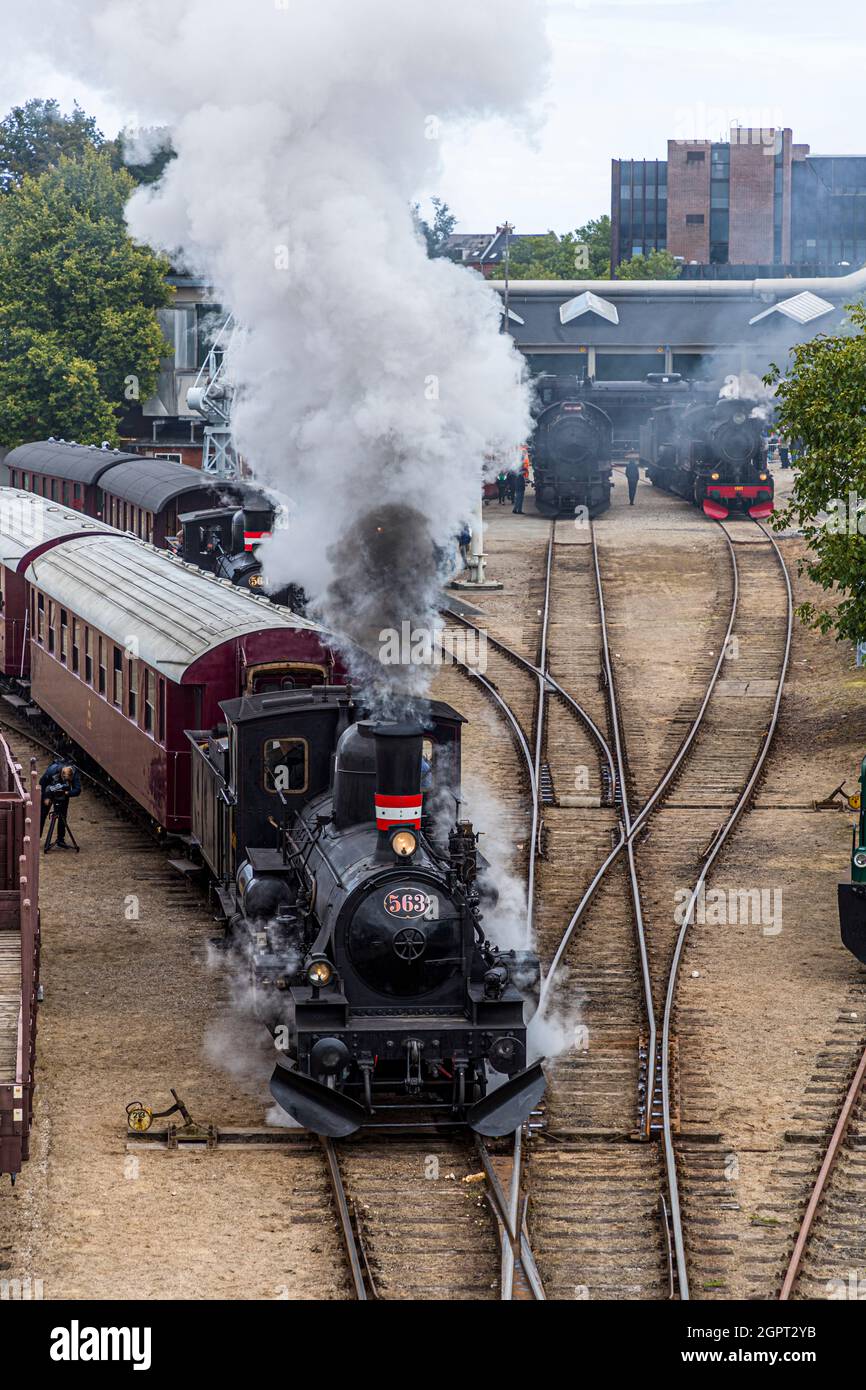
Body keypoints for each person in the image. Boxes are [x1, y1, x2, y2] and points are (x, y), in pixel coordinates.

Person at [39, 761, 81, 849]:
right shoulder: (52, 770)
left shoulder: (74, 772)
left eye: (68, 780)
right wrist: (46, 797)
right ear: (61, 775)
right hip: (49, 792)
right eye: (64, 779)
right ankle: (37, 837)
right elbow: (42, 783)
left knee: (62, 816)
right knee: (42, 814)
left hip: (63, 794)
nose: (66, 781)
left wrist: (66, 793)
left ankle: (60, 840)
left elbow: (78, 790)